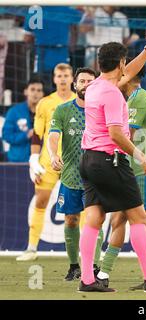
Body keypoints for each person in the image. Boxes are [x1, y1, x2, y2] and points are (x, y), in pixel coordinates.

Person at [78, 36, 146, 293]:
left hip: (88, 159)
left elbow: (127, 73)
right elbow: (115, 134)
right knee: (138, 216)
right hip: (109, 160)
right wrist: (142, 156)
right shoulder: (113, 94)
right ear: (120, 63)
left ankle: (87, 280)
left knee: (94, 216)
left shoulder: (95, 86)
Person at [96, 64, 146, 290]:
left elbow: (126, 136)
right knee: (121, 220)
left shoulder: (138, 99)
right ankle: (106, 273)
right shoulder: (143, 97)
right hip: (136, 168)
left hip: (140, 169)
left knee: (142, 221)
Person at [47, 67, 104, 281]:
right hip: (70, 176)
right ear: (75, 85)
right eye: (82, 81)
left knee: (94, 221)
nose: (86, 84)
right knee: (71, 220)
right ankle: (74, 266)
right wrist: (54, 155)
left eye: (90, 81)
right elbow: (53, 136)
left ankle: (95, 267)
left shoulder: (102, 110)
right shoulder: (62, 110)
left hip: (96, 177)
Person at [16, 63, 76, 262]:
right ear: (54, 79)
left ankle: (86, 250)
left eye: (66, 75)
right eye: (59, 75)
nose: (63, 79)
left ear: (72, 78)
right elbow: (37, 135)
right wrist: (33, 160)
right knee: (41, 201)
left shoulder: (81, 101)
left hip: (74, 161)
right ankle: (31, 248)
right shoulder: (45, 103)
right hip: (48, 161)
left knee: (80, 207)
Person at [2, 77, 44, 162]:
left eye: (39, 90)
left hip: (41, 162)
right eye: (32, 89)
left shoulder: (47, 112)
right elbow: (6, 135)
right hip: (18, 162)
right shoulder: (14, 112)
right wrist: (26, 135)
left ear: (42, 94)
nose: (35, 93)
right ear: (26, 91)